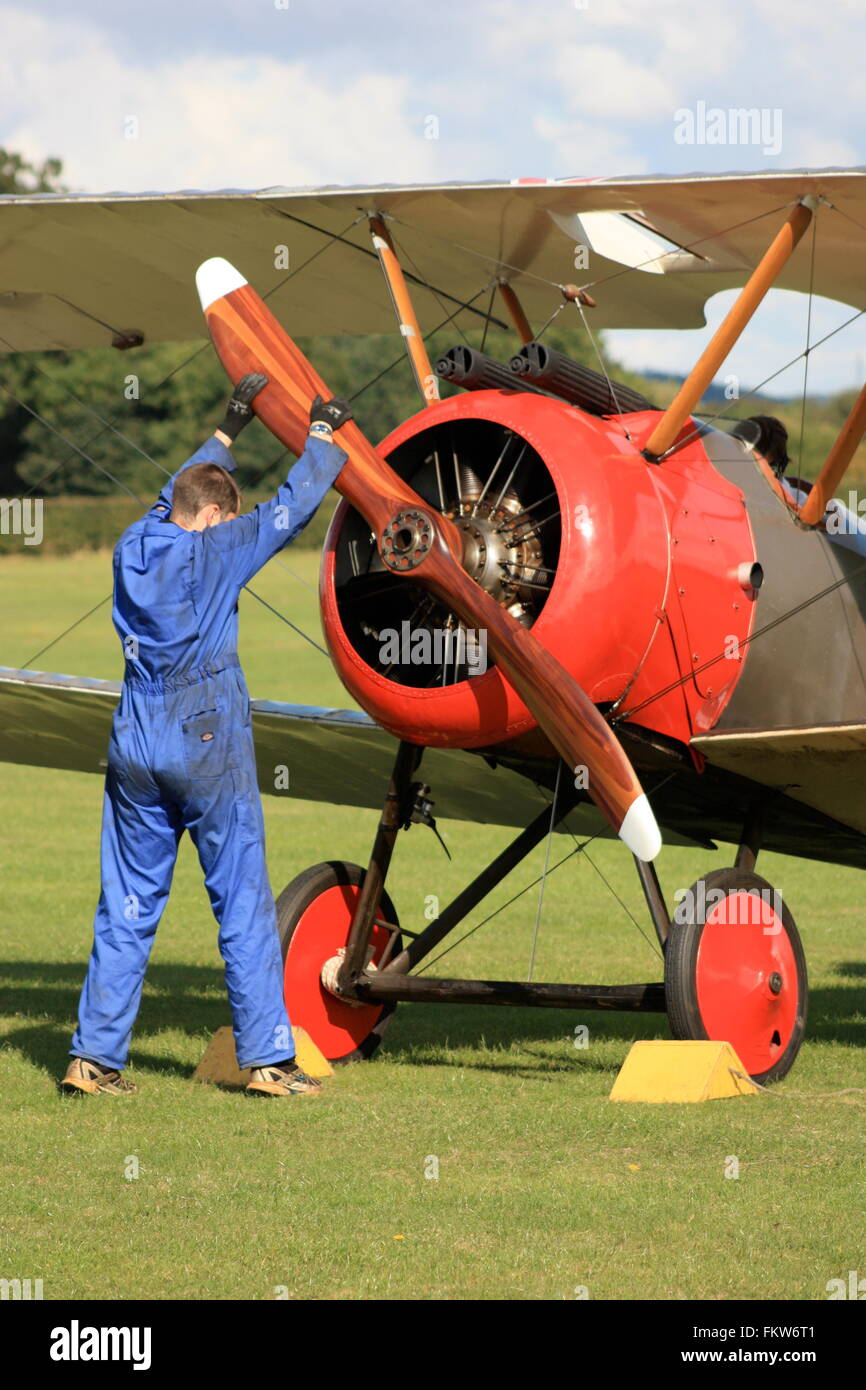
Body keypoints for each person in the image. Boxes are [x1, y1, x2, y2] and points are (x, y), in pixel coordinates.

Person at [61, 376, 352, 1099]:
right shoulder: (220, 549)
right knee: (242, 901)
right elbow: (290, 509)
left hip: (133, 737)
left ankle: (92, 1061)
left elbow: (175, 497)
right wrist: (326, 437)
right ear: (219, 516)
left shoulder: (135, 544)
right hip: (205, 735)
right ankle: (266, 1063)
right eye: (229, 516)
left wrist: (229, 429)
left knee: (126, 905)